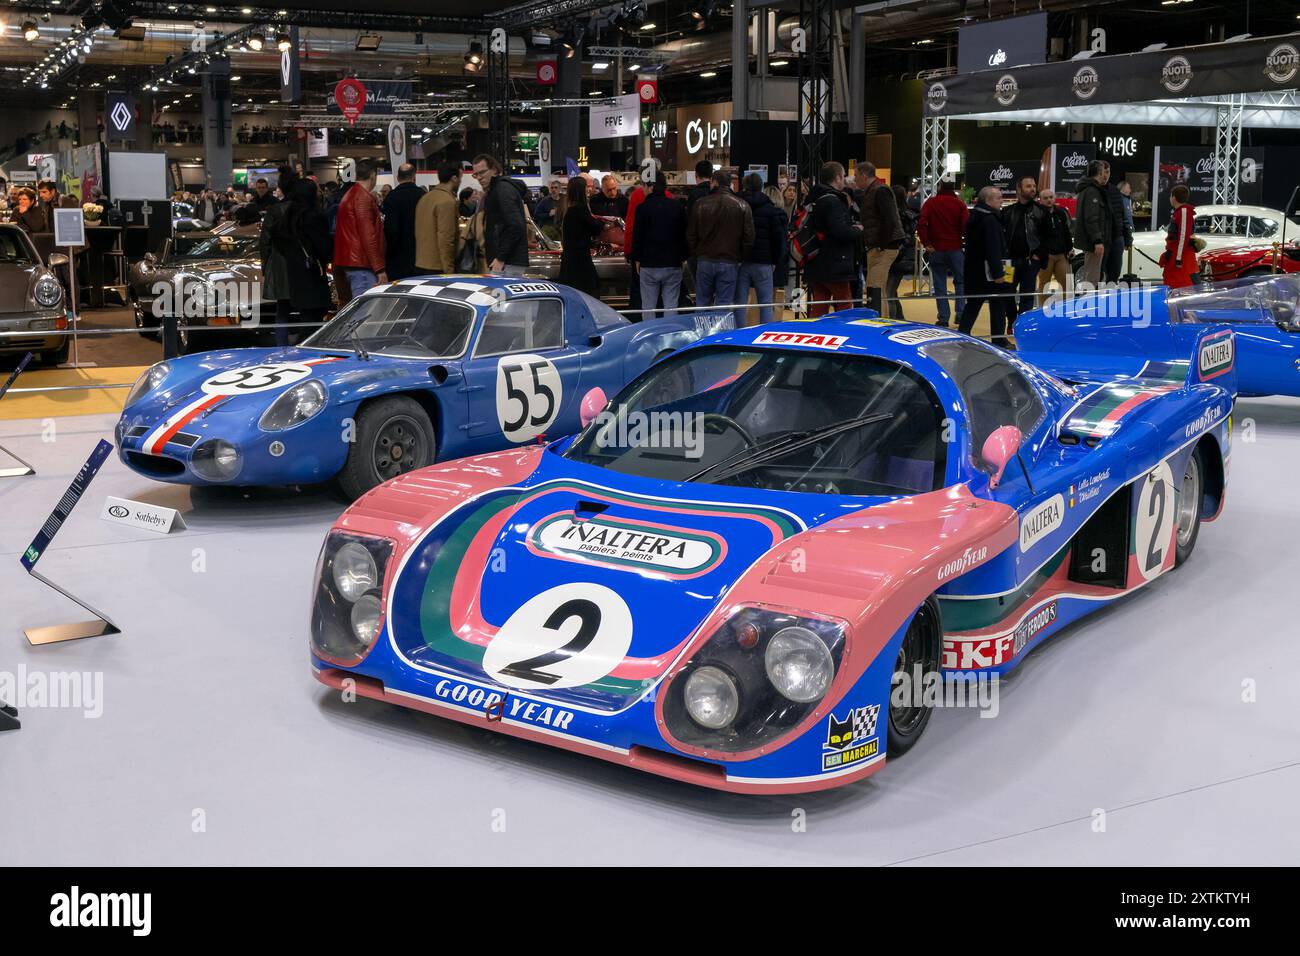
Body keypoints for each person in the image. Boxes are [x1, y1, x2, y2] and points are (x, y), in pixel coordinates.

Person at [265, 178, 332, 347]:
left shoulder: (288, 215)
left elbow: (273, 238)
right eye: (316, 190)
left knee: (304, 316)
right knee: (313, 320)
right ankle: (301, 350)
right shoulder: (312, 216)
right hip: (312, 274)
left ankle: (295, 348)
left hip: (294, 273)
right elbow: (325, 248)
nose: (320, 193)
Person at [686, 168, 754, 308]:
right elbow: (749, 237)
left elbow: (691, 235)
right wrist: (740, 257)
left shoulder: (700, 204)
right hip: (729, 261)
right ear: (729, 184)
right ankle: (722, 330)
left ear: (714, 182)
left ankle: (703, 330)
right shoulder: (742, 205)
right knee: (724, 305)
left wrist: (696, 253)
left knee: (702, 303)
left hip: (704, 260)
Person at [802, 162, 862, 318]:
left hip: (814, 259)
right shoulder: (833, 201)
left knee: (819, 306)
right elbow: (841, 232)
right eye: (843, 176)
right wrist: (857, 229)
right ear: (837, 177)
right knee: (844, 305)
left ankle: (816, 336)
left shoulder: (812, 198)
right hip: (835, 262)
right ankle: (844, 336)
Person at [630, 172, 688, 320]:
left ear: (650, 187)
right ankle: (669, 338)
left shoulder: (642, 209)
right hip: (673, 263)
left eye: (644, 186)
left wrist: (636, 258)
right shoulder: (677, 207)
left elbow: (637, 236)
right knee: (671, 306)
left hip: (649, 264)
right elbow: (684, 234)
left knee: (648, 307)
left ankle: (649, 339)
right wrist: (683, 257)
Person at [959, 187, 1012, 348]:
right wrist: (999, 273)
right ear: (988, 200)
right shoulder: (990, 219)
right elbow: (993, 248)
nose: (1001, 200)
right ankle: (998, 339)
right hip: (994, 270)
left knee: (973, 304)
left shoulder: (975, 216)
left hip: (975, 270)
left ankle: (962, 334)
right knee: (998, 304)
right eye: (998, 198)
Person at [736, 172, 787, 325]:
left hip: (741, 261)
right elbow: (778, 239)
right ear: (762, 186)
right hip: (764, 262)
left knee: (739, 304)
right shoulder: (770, 209)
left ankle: (738, 337)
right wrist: (775, 261)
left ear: (744, 186)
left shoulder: (737, 205)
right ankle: (764, 338)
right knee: (765, 305)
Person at [917, 175, 967, 328]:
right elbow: (965, 225)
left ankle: (944, 317)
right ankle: (960, 313)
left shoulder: (930, 203)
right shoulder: (960, 204)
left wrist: (927, 243)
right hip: (955, 248)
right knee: (960, 281)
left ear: (940, 187)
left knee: (939, 284)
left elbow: (922, 223)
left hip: (936, 249)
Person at [854, 162, 904, 314]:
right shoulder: (872, 191)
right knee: (875, 287)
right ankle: (881, 321)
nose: (855, 180)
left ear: (863, 175)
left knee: (876, 287)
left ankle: (881, 323)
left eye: (856, 176)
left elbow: (889, 219)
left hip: (884, 247)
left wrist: (881, 244)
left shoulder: (880, 190)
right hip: (878, 246)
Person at [333, 159, 387, 298]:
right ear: (373, 176)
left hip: (353, 263)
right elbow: (368, 235)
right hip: (362, 265)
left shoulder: (351, 194)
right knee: (365, 314)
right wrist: (379, 268)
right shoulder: (362, 198)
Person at [471, 152, 529, 276]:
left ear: (494, 170)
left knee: (502, 295)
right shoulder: (496, 190)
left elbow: (516, 226)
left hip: (508, 261)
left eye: (482, 172)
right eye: (476, 175)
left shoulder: (502, 189)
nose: (479, 178)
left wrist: (500, 257)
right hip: (506, 260)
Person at [259, 165, 300, 340]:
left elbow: (265, 242)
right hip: (301, 265)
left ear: (280, 187)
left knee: (282, 311)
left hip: (280, 265)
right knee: (306, 313)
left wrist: (265, 267)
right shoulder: (303, 209)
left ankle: (282, 349)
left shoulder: (274, 211)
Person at [1001, 176, 1047, 322]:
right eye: (1028, 186)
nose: (1033, 189)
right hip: (1009, 262)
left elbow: (1047, 237)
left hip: (1030, 262)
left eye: (1034, 186)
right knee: (1007, 293)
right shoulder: (1007, 212)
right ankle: (1013, 320)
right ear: (1019, 189)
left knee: (1027, 295)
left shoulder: (1041, 211)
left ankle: (1021, 324)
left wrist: (1039, 255)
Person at [557, 177, 603, 298]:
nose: (589, 190)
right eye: (586, 187)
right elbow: (596, 228)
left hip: (569, 261)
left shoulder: (569, 210)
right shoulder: (580, 210)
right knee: (590, 295)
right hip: (581, 262)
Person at [414, 161, 461, 275]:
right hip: (438, 266)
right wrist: (449, 270)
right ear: (454, 178)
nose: (460, 181)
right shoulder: (447, 201)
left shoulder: (424, 198)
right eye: (460, 178)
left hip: (421, 262)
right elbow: (446, 238)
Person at [381, 163, 426, 281]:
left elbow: (390, 230)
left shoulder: (391, 197)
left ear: (397, 178)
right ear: (414, 177)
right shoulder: (423, 196)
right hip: (420, 257)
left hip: (397, 258)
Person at [1074, 160, 1112, 287]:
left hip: (1090, 241)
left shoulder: (1086, 190)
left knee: (1091, 275)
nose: (1105, 175)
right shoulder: (1092, 191)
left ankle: (1088, 302)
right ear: (1100, 172)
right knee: (1092, 278)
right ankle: (1088, 304)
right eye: (1103, 171)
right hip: (1092, 243)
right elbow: (1091, 217)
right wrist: (1097, 240)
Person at [886, 183, 917, 322]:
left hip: (897, 258)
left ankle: (892, 322)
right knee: (892, 292)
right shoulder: (909, 215)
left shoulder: (898, 215)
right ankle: (900, 319)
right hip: (905, 258)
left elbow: (902, 239)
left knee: (889, 294)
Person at [1035, 189, 1074, 299]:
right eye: (1045, 198)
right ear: (1040, 200)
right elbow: (1035, 236)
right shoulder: (1037, 214)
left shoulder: (1061, 213)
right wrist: (1039, 253)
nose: (1049, 200)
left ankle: (1067, 309)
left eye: (1051, 197)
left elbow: (1066, 232)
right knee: (1044, 285)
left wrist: (1070, 248)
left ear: (1054, 198)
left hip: (1061, 255)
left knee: (1067, 284)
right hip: (1046, 256)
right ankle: (1042, 310)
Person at [1161, 184, 1198, 289]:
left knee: (1180, 283)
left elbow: (1183, 236)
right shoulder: (1181, 212)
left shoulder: (1183, 212)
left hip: (1181, 256)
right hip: (1178, 253)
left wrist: (1178, 258)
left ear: (1173, 197)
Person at [1105, 173, 1134, 282]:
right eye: (1128, 187)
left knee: (1113, 271)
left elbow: (1125, 219)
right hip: (1110, 238)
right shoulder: (1122, 199)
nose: (1130, 189)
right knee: (1111, 271)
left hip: (1117, 237)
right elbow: (1126, 218)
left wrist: (1128, 237)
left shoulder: (1124, 200)